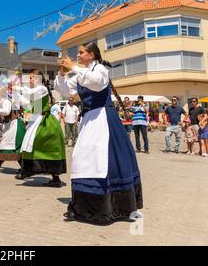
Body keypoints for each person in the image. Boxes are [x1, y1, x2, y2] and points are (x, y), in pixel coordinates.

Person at [55, 42, 143, 225]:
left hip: (103, 118)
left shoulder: (100, 69)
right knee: (83, 157)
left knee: (102, 159)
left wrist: (74, 67)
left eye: (81, 52)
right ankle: (85, 204)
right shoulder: (81, 73)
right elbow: (64, 90)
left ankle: (110, 206)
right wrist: (63, 72)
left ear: (92, 55)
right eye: (77, 53)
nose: (78, 56)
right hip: (89, 120)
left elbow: (96, 83)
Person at [18, 70, 66, 187]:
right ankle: (27, 171)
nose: (29, 80)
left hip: (45, 123)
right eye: (29, 78)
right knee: (30, 146)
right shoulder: (35, 91)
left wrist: (16, 87)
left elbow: (30, 94)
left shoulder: (42, 89)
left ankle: (54, 178)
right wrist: (27, 118)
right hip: (36, 121)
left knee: (44, 148)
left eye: (31, 78)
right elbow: (30, 106)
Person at [0, 83, 26, 170]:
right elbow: (5, 113)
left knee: (13, 147)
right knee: (6, 145)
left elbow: (6, 111)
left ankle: (24, 168)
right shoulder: (5, 100)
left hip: (14, 125)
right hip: (11, 125)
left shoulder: (5, 100)